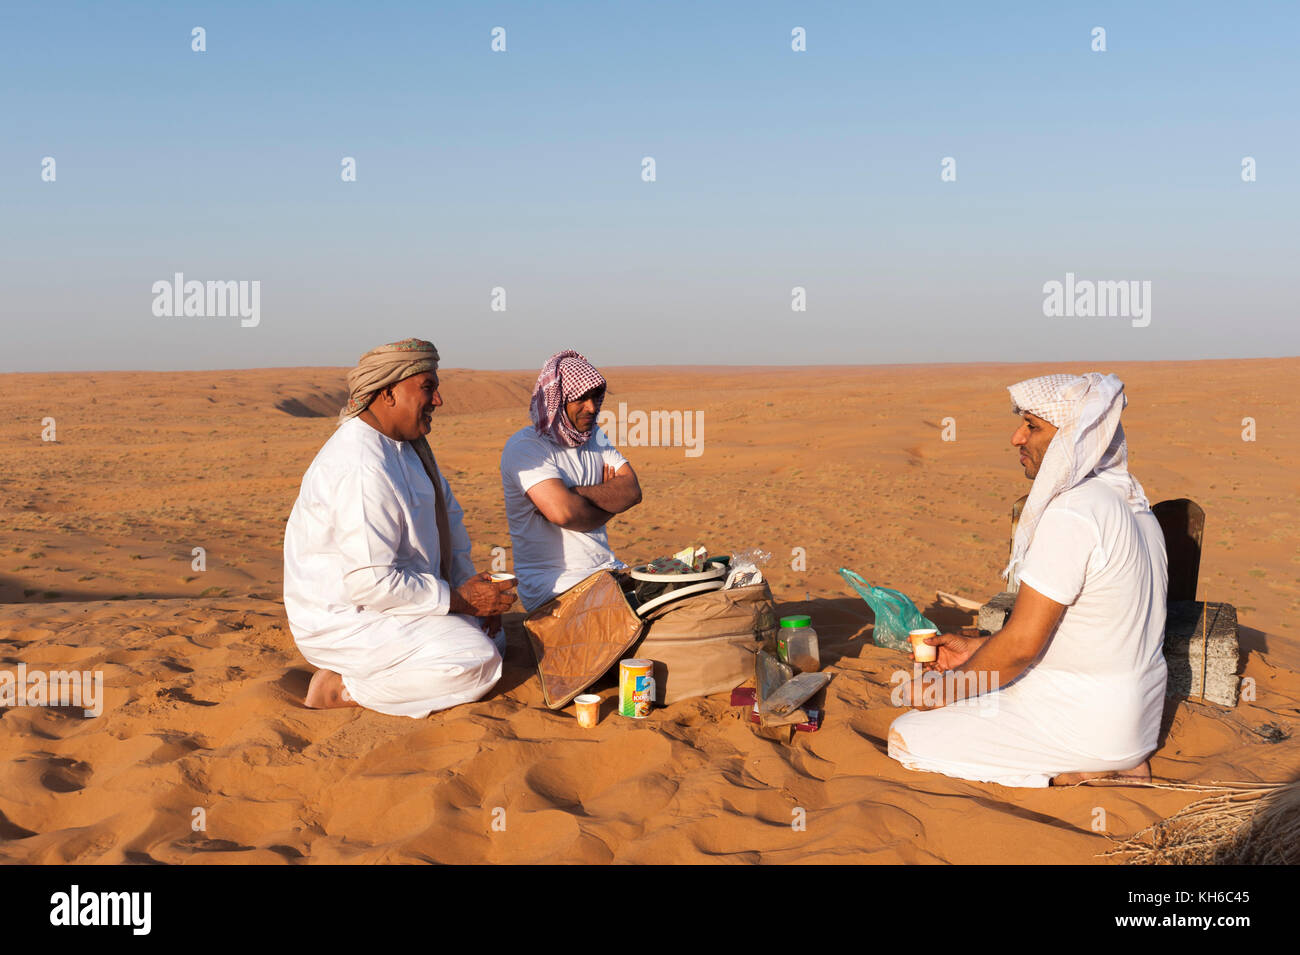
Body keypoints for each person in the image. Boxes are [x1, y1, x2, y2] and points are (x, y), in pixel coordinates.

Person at [888, 373, 1168, 787]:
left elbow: (1021, 647)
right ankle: (1115, 761)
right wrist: (977, 650)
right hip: (1138, 725)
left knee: (906, 735)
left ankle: (1077, 774)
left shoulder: (1074, 512)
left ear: (1074, 436)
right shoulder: (1136, 508)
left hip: (1081, 723)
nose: (1017, 438)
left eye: (1033, 426)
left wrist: (943, 692)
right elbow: (1093, 633)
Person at [283, 338, 515, 718]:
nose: (438, 400)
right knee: (475, 661)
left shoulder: (409, 450)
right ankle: (345, 687)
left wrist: (473, 595)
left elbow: (450, 530)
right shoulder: (361, 464)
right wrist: (461, 601)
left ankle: (400, 665)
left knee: (494, 637)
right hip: (348, 618)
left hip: (405, 602)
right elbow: (369, 583)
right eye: (428, 388)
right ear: (388, 393)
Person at [500, 349, 642, 612]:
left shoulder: (594, 436)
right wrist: (609, 500)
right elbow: (564, 513)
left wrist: (575, 493)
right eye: (581, 399)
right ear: (557, 399)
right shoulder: (526, 447)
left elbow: (632, 491)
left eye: (595, 398)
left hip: (606, 570)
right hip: (554, 585)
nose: (591, 407)